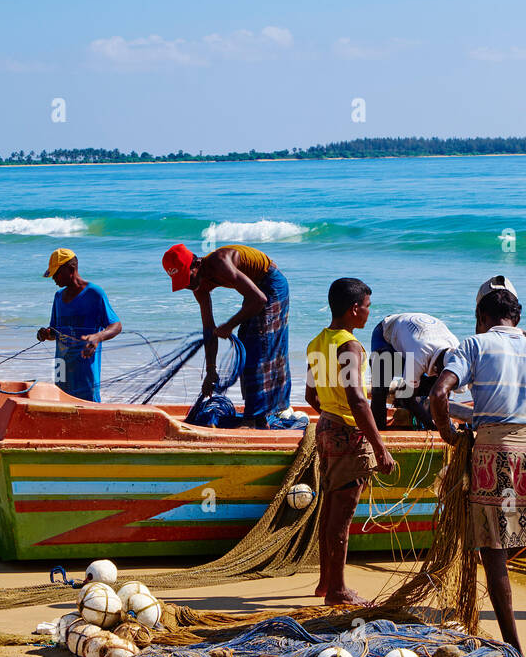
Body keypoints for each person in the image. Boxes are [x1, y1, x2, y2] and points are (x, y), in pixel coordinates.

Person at [429, 277, 526, 657]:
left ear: (482, 315)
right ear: (517, 316)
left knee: (494, 549)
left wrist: (449, 433)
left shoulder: (473, 346)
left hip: (490, 452)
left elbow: (439, 393)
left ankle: (514, 649)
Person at [304, 277, 395, 605]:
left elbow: (310, 394)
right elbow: (358, 399)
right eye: (368, 307)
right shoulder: (350, 345)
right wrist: (380, 446)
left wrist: (330, 412)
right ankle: (339, 590)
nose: (369, 314)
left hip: (324, 428)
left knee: (329, 509)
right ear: (355, 309)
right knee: (342, 514)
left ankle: (325, 581)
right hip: (347, 434)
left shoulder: (316, 343)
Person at [162, 242, 291, 427]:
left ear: (196, 264)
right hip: (254, 289)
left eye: (188, 278)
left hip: (271, 283)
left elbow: (260, 300)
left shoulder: (219, 262)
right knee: (246, 342)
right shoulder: (199, 286)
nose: (189, 286)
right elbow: (209, 330)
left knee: (259, 344)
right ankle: (257, 417)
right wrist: (210, 371)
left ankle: (253, 419)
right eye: (183, 283)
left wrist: (229, 325)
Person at [36, 249, 122, 402]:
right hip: (60, 365)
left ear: (71, 269)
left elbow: (116, 326)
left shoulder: (95, 294)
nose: (54, 278)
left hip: (85, 368)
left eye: (57, 273)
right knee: (60, 402)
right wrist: (45, 334)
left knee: (88, 404)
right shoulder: (58, 297)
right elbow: (54, 332)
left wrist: (97, 336)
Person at [368, 312, 457, 430]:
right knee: (381, 386)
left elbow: (444, 391)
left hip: (412, 337)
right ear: (438, 368)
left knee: (428, 387)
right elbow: (408, 398)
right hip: (386, 334)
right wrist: (433, 427)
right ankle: (379, 430)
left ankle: (401, 394)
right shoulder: (419, 355)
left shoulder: (458, 351)